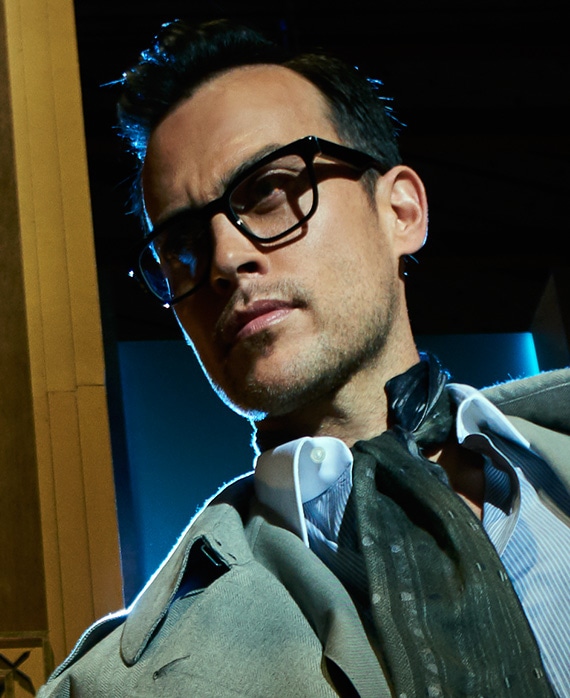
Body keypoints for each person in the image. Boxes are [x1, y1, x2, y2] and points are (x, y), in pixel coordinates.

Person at [38, 17, 570, 698]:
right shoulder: (107, 687)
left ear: (401, 211)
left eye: (267, 190)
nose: (226, 258)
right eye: (182, 245)